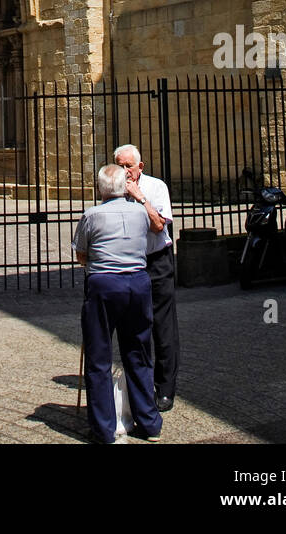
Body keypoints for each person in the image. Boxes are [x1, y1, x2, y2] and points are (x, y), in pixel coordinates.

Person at [72, 163, 164, 444]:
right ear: (124, 187)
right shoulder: (139, 212)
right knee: (138, 352)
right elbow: (156, 225)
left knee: (99, 359)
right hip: (137, 283)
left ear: (100, 189)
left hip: (104, 286)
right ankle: (149, 424)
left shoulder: (91, 215)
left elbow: (81, 254)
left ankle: (104, 429)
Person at [114, 143, 179, 412]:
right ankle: (140, 385)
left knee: (163, 327)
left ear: (140, 166)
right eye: (119, 166)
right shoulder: (113, 190)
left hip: (157, 262)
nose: (124, 171)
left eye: (128, 166)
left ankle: (165, 389)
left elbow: (159, 225)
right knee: (135, 328)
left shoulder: (156, 187)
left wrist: (139, 197)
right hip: (130, 265)